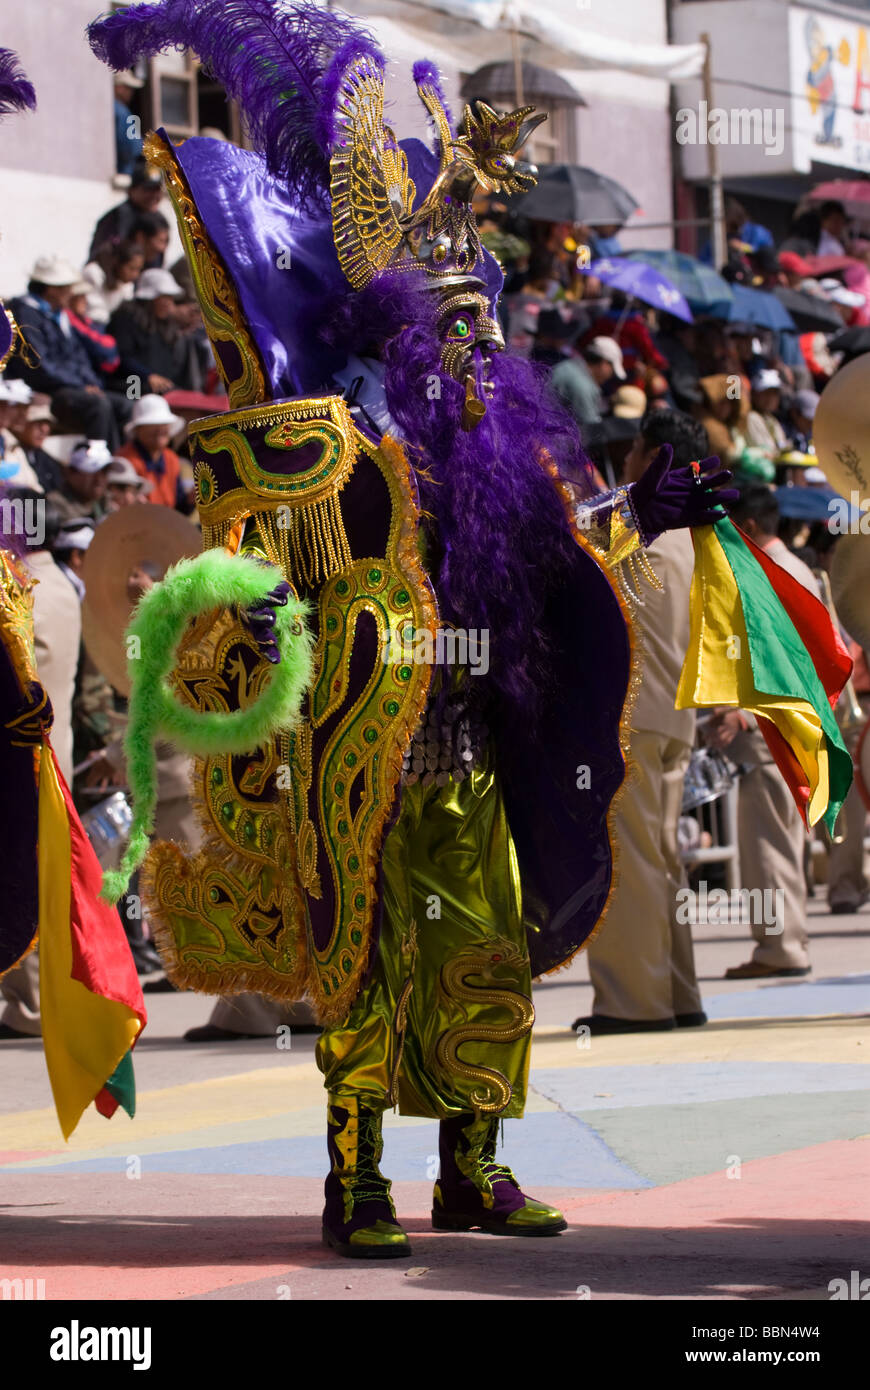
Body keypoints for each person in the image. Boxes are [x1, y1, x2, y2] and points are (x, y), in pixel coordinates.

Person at [88, 0, 738, 1260]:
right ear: (403, 341)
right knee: (366, 963)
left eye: (490, 335)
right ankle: (358, 1179)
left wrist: (641, 509)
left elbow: (560, 559)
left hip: (477, 753)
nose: (483, 355)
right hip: (365, 751)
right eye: (459, 334)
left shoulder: (506, 465)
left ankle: (474, 1169)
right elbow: (265, 535)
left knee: (481, 960)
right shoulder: (345, 454)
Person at [704, 486, 815, 979]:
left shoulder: (769, 575)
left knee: (768, 846)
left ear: (746, 528)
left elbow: (786, 665)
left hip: (772, 732)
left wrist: (744, 716)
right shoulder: (795, 567)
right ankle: (786, 942)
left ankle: (781, 948)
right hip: (788, 731)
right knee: (779, 844)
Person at [7, 256, 130, 448]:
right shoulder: (25, 313)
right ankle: (100, 462)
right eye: (66, 287)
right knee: (98, 405)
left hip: (71, 386)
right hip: (45, 388)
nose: (71, 292)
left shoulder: (59, 315)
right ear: (52, 289)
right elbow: (39, 364)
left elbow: (78, 356)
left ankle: (121, 460)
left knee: (126, 405)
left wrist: (90, 383)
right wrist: (80, 386)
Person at [109, 267, 189, 395]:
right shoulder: (126, 317)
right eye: (163, 297)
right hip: (129, 384)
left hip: (159, 386)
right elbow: (122, 357)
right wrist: (147, 376)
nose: (168, 303)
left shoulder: (168, 326)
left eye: (170, 297)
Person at [116, 394, 190, 509]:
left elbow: (179, 507)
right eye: (152, 424)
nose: (159, 430)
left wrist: (191, 500)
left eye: (164, 423)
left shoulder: (171, 459)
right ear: (138, 429)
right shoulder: (125, 461)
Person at [88, 160, 164, 261]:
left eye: (157, 189)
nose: (154, 195)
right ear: (131, 190)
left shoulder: (159, 219)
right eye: (148, 189)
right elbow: (103, 255)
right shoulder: (118, 217)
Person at [550, 333, 626, 426]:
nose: (610, 376)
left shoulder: (568, 366)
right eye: (612, 370)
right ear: (604, 364)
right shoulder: (583, 386)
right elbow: (592, 430)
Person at [82, 239, 146, 327]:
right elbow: (94, 313)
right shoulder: (94, 273)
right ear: (117, 262)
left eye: (139, 270)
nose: (135, 275)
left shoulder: (127, 285)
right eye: (131, 269)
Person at [48, 437, 113, 524]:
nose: (99, 479)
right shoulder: (53, 505)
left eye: (105, 471)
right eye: (92, 472)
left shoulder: (104, 501)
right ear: (70, 473)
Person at [9, 398, 62, 492]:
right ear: (22, 423)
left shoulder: (49, 461)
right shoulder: (8, 450)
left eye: (48, 424)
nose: (44, 429)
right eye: (38, 423)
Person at [746, 368, 789, 457]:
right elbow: (767, 450)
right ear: (754, 394)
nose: (771, 398)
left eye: (774, 393)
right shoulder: (751, 417)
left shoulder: (771, 419)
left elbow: (782, 446)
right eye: (766, 393)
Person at [113, 69, 144, 176]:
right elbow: (133, 148)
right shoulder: (123, 113)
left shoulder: (108, 108)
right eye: (128, 88)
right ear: (119, 88)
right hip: (125, 174)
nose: (131, 93)